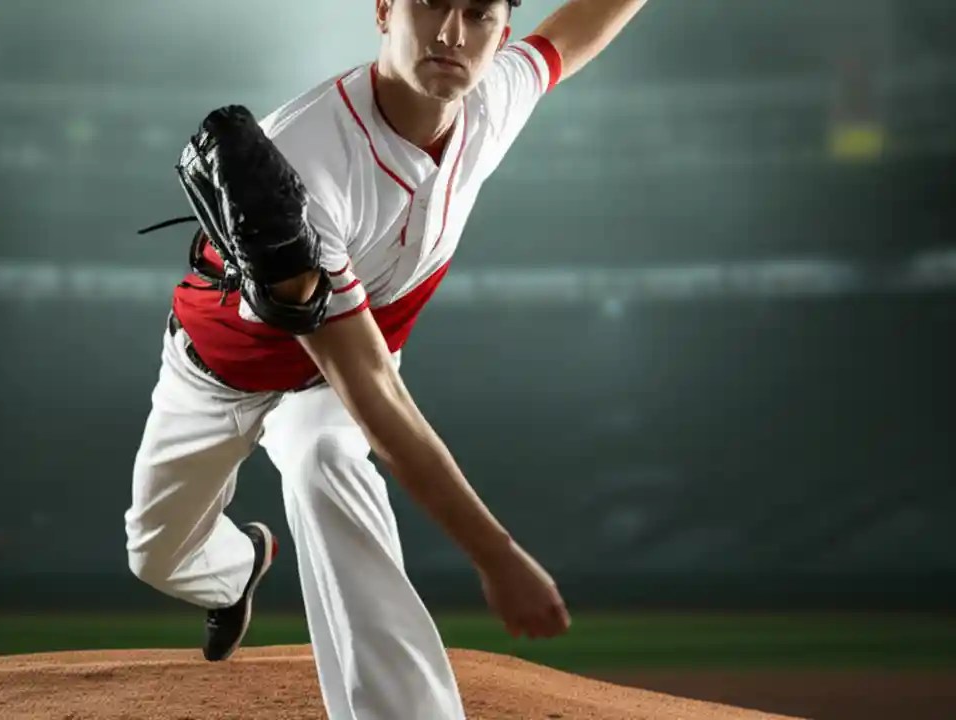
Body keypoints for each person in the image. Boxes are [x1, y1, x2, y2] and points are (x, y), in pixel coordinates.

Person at [125, 1, 650, 717]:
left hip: (330, 377)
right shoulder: (311, 158)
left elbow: (571, 33)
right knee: (154, 553)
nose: (450, 31)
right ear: (383, 10)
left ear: (499, 29)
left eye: (476, 12)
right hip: (217, 373)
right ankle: (238, 568)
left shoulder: (491, 97)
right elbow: (373, 389)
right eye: (430, 2)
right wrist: (496, 555)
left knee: (325, 463)